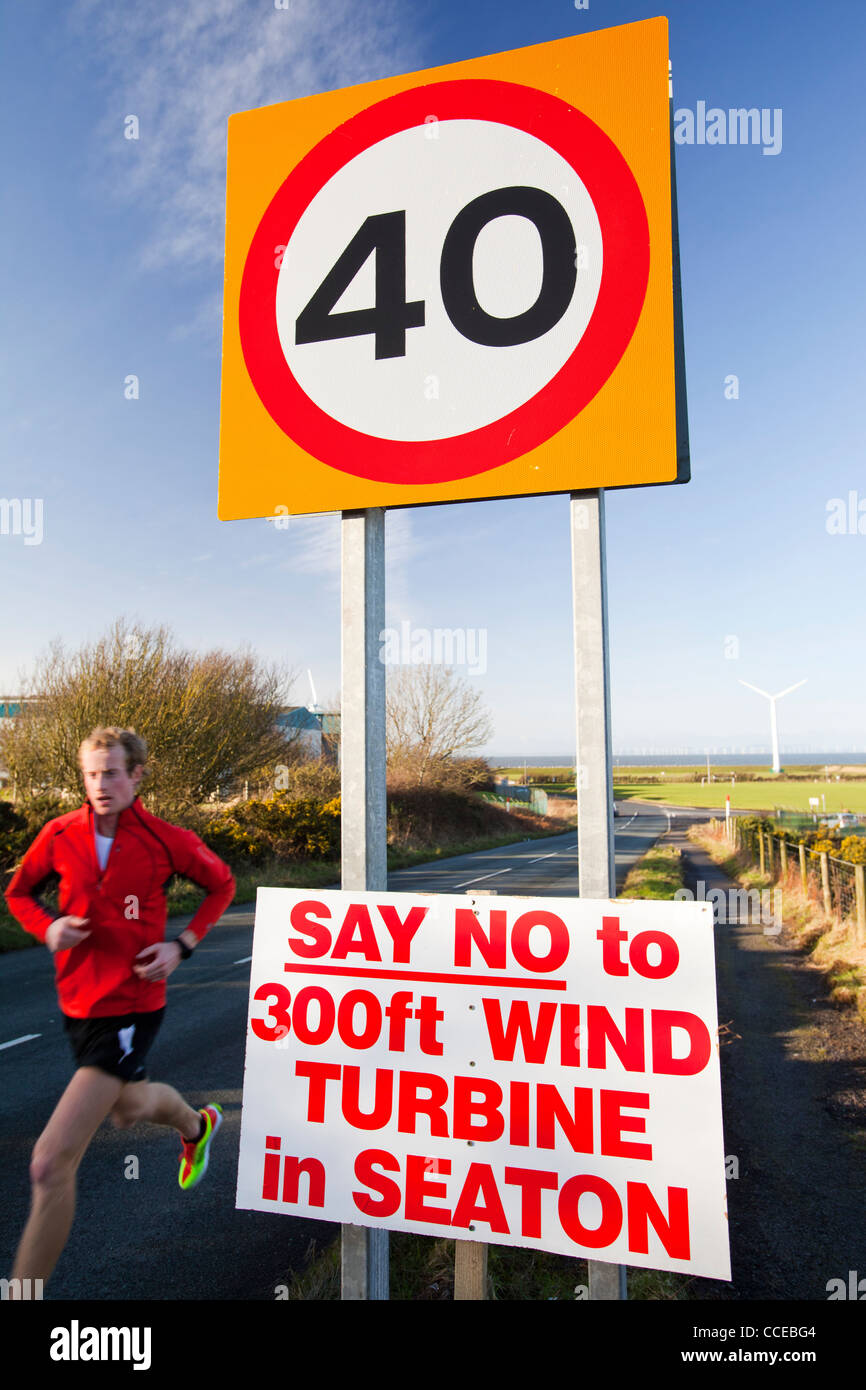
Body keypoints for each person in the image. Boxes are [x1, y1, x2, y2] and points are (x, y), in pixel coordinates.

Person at [4, 726, 236, 1291]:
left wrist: (181, 945)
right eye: (91, 773)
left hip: (132, 1004)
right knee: (128, 1109)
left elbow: (223, 884)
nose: (101, 784)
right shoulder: (59, 834)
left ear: (136, 775)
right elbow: (17, 892)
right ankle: (196, 1124)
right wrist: (48, 925)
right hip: (77, 1003)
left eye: (112, 772)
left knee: (49, 1163)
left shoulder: (165, 840)